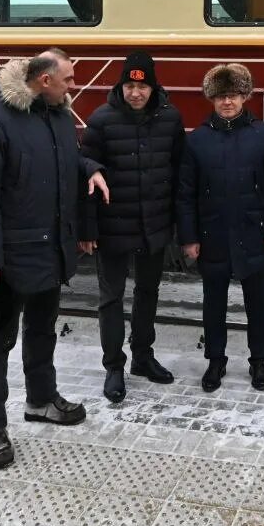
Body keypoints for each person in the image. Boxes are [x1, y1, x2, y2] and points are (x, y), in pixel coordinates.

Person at [0, 48, 110, 469]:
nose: (73, 85)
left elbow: (63, 162)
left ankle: (41, 400)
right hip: (8, 257)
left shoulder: (58, 115)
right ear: (45, 80)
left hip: (50, 249)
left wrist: (90, 169)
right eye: (68, 79)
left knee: (43, 331)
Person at [80, 50, 185, 403]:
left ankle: (142, 357)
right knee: (111, 298)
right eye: (130, 85)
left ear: (153, 87)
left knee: (148, 293)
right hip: (112, 228)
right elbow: (86, 174)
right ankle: (114, 366)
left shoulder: (170, 120)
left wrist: (179, 225)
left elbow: (180, 173)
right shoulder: (101, 120)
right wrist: (87, 230)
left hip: (153, 225)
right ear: (121, 85)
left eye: (143, 86)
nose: (136, 93)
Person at [178, 63, 264, 393]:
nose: (228, 102)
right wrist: (189, 237)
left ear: (245, 97)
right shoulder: (197, 140)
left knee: (257, 302)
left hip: (251, 231)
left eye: (235, 95)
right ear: (212, 99)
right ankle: (216, 360)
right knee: (214, 303)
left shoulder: (263, 135)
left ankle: (259, 361)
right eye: (222, 96)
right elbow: (186, 193)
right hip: (213, 233)